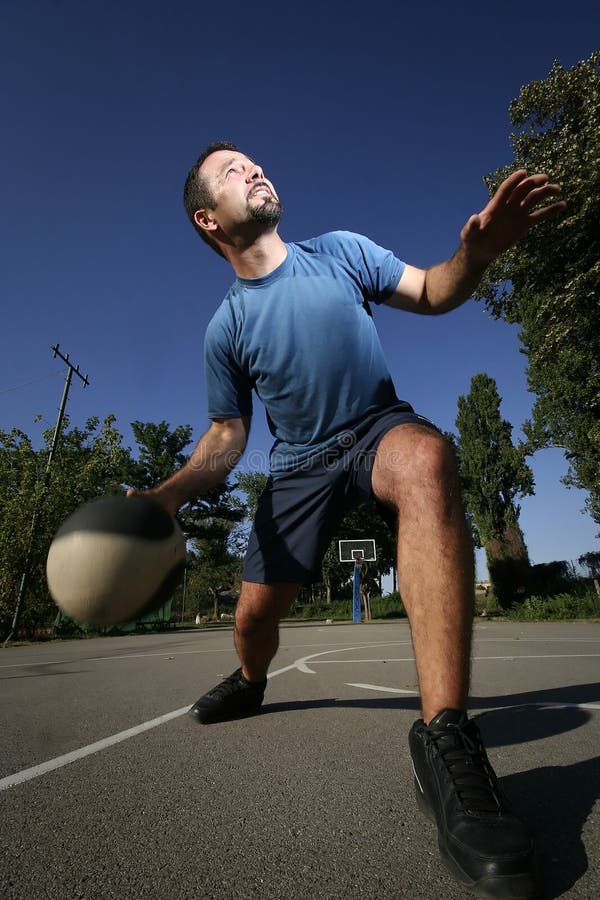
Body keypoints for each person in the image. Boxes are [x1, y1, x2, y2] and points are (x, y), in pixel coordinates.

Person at [129, 141, 565, 899]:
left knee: (429, 460)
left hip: (374, 428)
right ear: (208, 219)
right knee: (252, 621)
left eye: (254, 162)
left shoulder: (340, 252)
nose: (255, 170)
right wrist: (171, 492)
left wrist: (477, 255)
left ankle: (449, 747)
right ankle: (251, 679)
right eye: (233, 172)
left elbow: (431, 290)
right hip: (296, 465)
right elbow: (227, 438)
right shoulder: (225, 328)